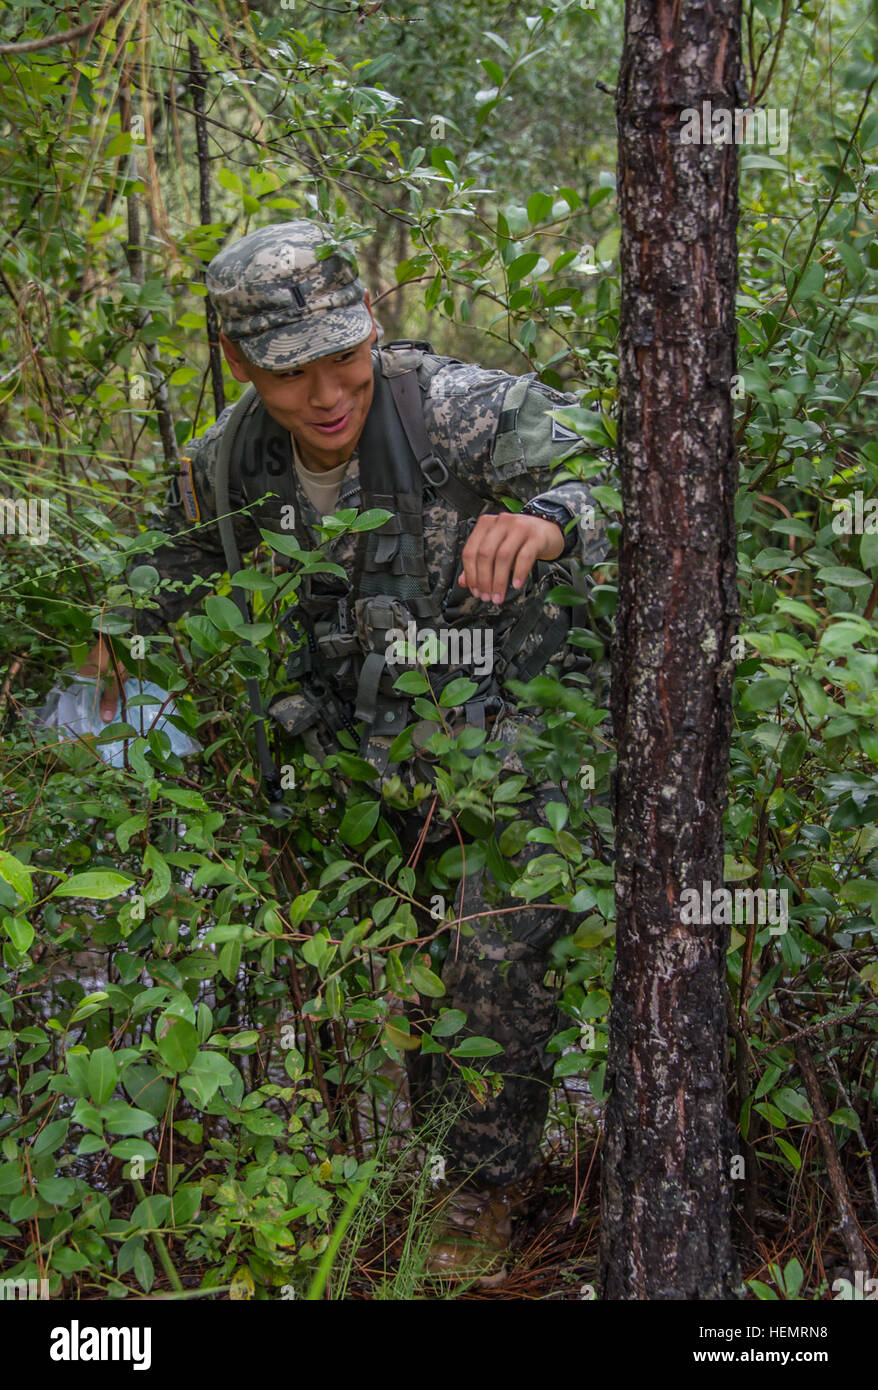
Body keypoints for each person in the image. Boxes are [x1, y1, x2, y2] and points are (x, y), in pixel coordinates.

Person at [82, 219, 608, 1284]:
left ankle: (480, 1193)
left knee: (488, 950)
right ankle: (412, 1161)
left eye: (342, 354)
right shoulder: (225, 466)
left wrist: (551, 517)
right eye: (289, 370)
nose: (326, 390)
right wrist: (105, 653)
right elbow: (151, 582)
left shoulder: (458, 409)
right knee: (405, 974)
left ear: (370, 323)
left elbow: (630, 468)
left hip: (520, 761)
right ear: (238, 364)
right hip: (364, 778)